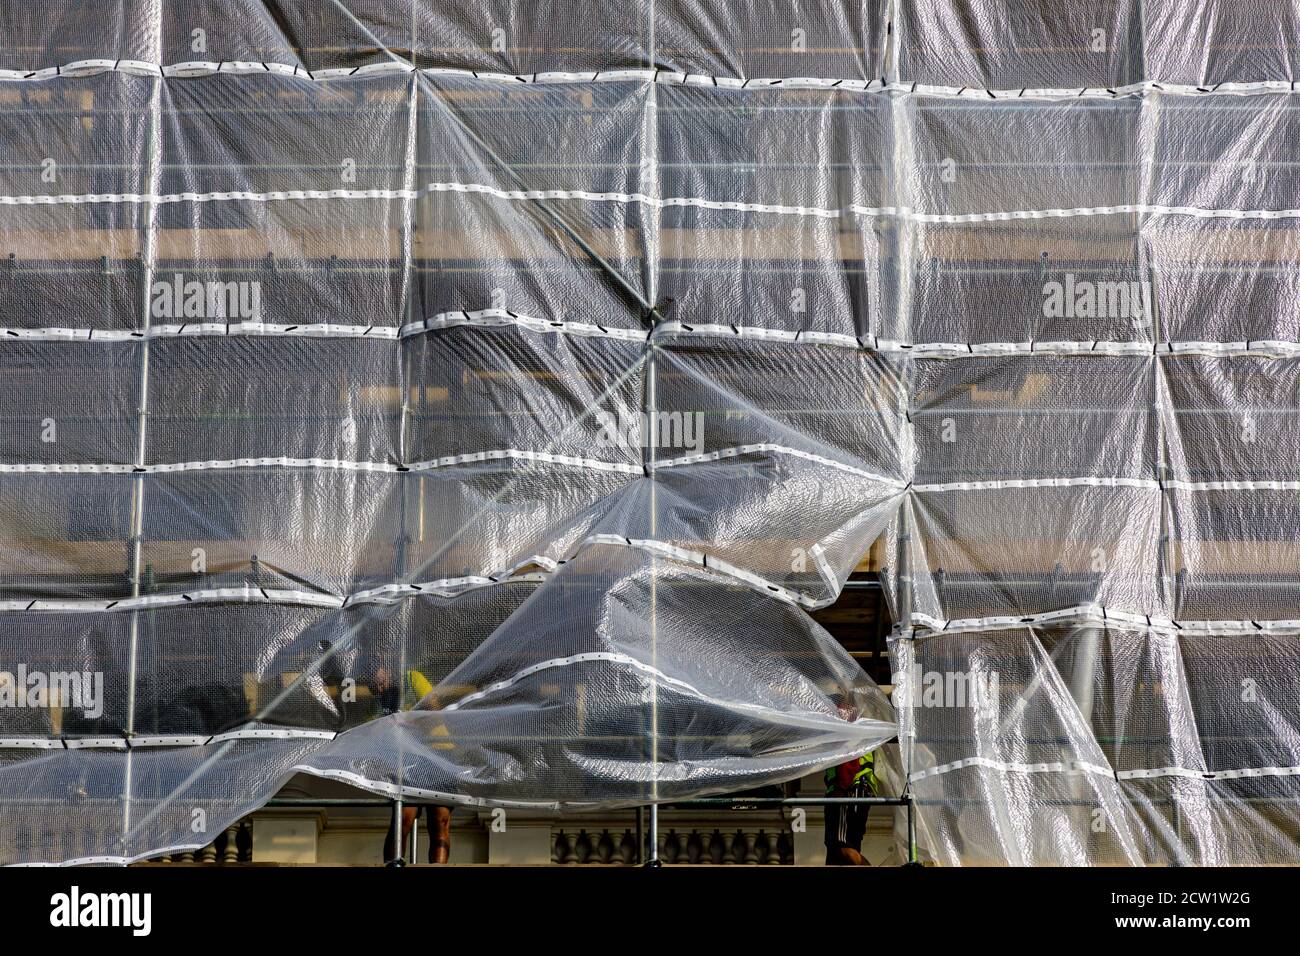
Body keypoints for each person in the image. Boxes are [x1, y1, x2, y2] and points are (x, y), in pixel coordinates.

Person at [824, 702, 879, 866]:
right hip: (851, 790)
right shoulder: (858, 719)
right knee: (840, 850)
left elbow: (849, 758)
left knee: (843, 848)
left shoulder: (848, 718)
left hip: (848, 791)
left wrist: (842, 786)